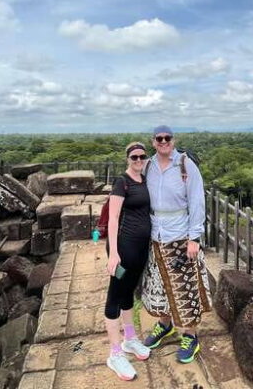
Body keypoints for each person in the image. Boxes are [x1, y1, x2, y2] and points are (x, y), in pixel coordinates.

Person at [141, 125, 211, 363]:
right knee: (159, 284)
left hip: (179, 233)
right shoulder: (148, 165)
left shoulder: (184, 165)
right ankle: (165, 324)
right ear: (153, 142)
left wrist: (195, 238)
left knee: (185, 286)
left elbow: (197, 201)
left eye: (167, 138)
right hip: (155, 234)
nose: (163, 142)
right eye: (159, 139)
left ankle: (190, 336)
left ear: (173, 140)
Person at [103, 141, 153, 380]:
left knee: (129, 292)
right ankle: (114, 353)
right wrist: (114, 253)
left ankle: (129, 339)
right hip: (123, 249)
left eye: (142, 156)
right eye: (134, 157)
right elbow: (113, 219)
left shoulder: (144, 180)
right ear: (127, 159)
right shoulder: (122, 182)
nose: (138, 160)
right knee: (115, 293)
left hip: (140, 249)